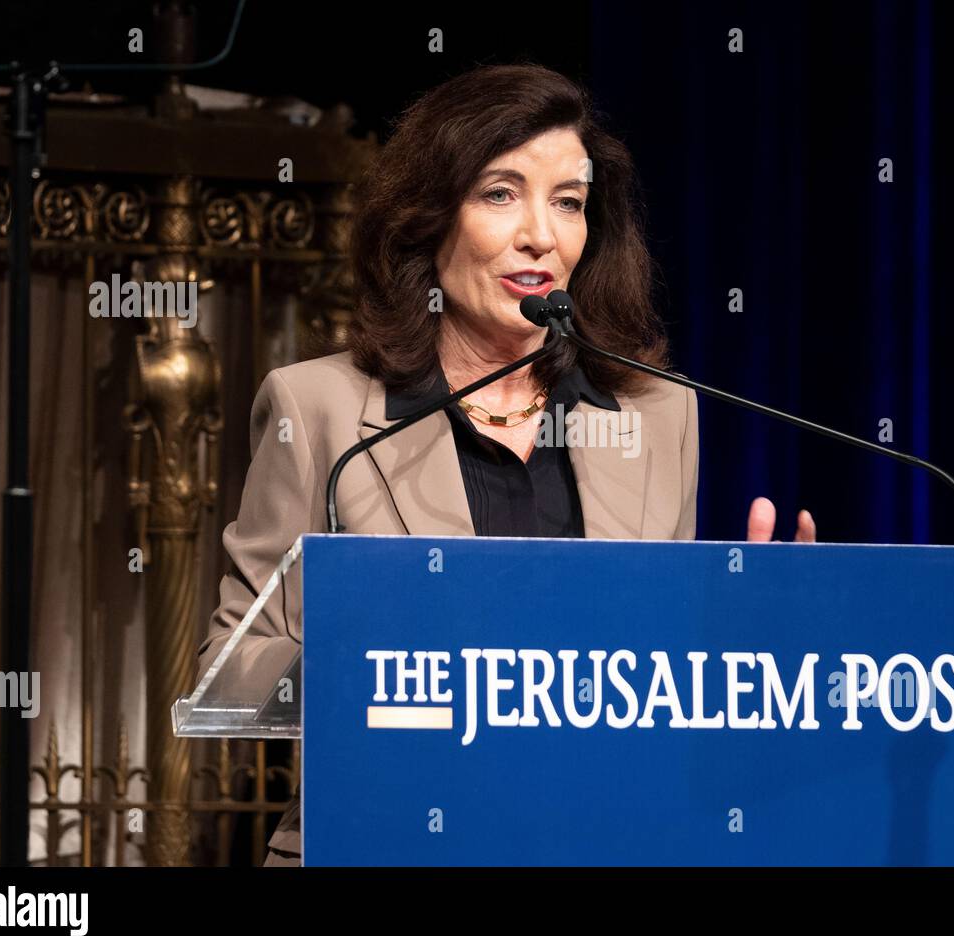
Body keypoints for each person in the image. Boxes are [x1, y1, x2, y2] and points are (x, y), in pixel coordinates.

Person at [199, 63, 815, 866]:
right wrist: (367, 658)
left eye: (568, 202)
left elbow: (656, 685)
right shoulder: (317, 410)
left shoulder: (658, 415)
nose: (542, 235)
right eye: (501, 193)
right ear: (428, 218)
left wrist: (746, 645)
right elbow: (231, 680)